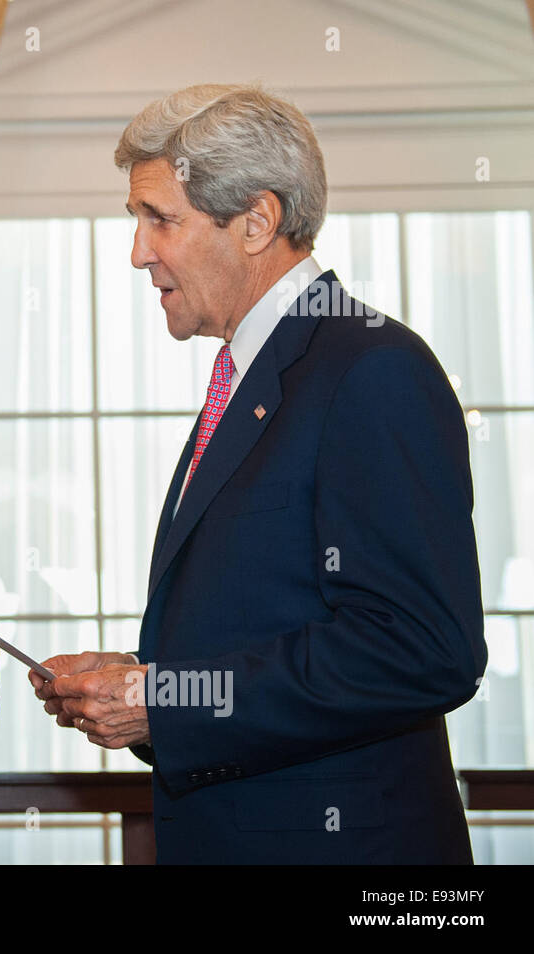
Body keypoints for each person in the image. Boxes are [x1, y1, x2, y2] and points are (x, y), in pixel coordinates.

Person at [31, 84, 486, 864]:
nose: (138, 251)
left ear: (257, 222)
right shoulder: (254, 374)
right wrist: (147, 681)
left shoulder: (371, 367)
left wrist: (165, 701)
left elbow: (421, 649)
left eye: (160, 219)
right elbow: (263, 624)